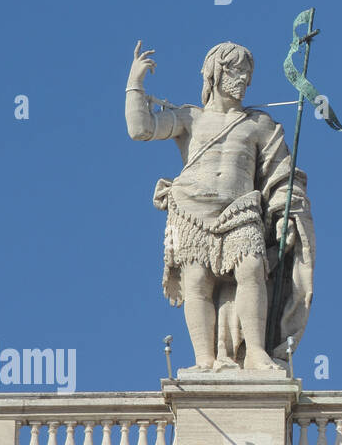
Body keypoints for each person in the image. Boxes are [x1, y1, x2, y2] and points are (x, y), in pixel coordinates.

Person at [126, 41, 314, 372]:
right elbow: (141, 129)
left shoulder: (260, 125)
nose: (243, 80)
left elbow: (283, 174)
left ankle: (255, 351)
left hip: (240, 208)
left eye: (247, 73)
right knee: (197, 281)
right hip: (190, 208)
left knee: (252, 269)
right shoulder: (190, 118)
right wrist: (135, 83)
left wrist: (284, 214)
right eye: (235, 71)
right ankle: (204, 361)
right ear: (215, 72)